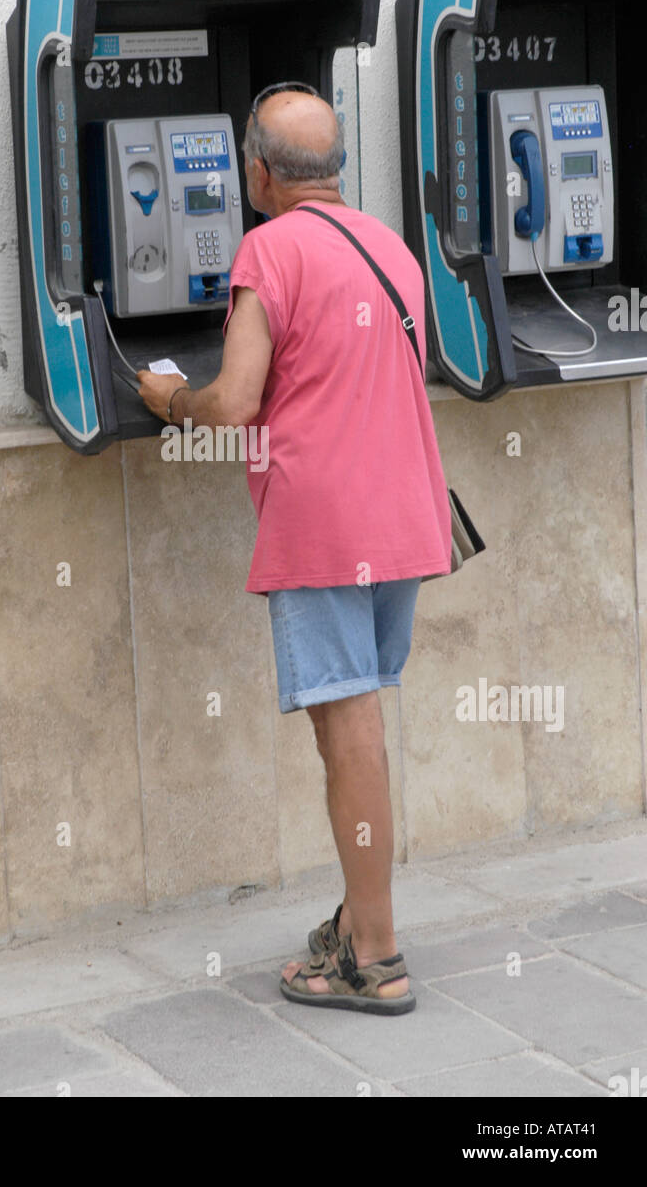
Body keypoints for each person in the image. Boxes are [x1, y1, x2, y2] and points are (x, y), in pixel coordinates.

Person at [137, 82, 451, 1014]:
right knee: (345, 720)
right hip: (404, 513)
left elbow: (235, 404)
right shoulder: (393, 248)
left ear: (257, 172)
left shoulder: (268, 248)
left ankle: (378, 956)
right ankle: (356, 926)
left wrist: (170, 401)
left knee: (348, 727)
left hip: (325, 521)